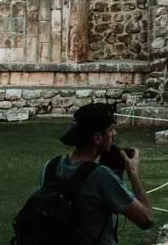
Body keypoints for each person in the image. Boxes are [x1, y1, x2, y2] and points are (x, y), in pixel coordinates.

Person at [42, 103, 153, 244]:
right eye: (111, 129)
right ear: (98, 138)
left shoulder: (50, 167)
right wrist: (132, 172)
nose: (114, 134)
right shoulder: (101, 176)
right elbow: (146, 220)